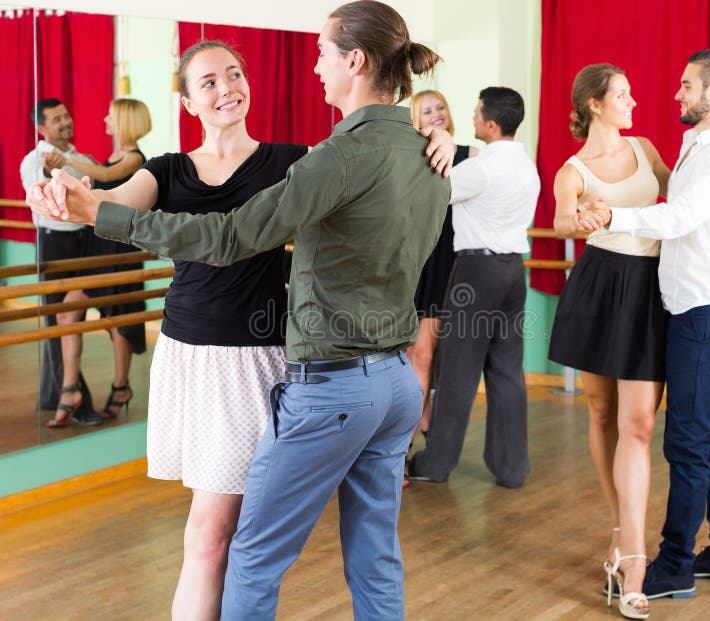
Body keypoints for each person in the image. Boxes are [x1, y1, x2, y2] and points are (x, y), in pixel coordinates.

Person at [28, 2, 455, 618]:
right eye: (208, 80)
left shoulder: (317, 159)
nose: (314, 68)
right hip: (382, 380)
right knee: (360, 552)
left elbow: (227, 238)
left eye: (322, 55)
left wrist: (95, 213)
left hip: (316, 382)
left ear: (354, 61)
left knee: (247, 552)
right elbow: (116, 194)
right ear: (187, 102)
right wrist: (76, 194)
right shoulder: (417, 153)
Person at [580, 48, 710, 602]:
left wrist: (612, 214)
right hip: (689, 310)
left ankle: (674, 563)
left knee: (685, 443)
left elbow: (678, 218)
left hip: (708, 313)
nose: (676, 94)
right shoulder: (693, 147)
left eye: (686, 86)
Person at [546, 63, 671, 620]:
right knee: (601, 414)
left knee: (638, 423)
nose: (633, 101)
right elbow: (560, 223)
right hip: (599, 287)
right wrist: (580, 217)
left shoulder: (646, 149)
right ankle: (622, 533)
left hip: (649, 289)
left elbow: (678, 204)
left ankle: (637, 558)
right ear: (594, 104)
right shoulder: (572, 169)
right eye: (622, 94)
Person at [407, 86, 540, 489]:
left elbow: (428, 194)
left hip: (476, 273)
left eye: (477, 112)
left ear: (492, 123)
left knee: (456, 374)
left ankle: (436, 462)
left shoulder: (480, 169)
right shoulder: (527, 165)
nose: (472, 119)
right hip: (515, 272)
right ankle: (511, 467)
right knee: (507, 372)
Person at [50, 98, 152, 425]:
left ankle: (120, 386)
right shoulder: (112, 156)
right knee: (69, 310)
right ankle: (69, 387)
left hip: (120, 246)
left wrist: (68, 159)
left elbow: (108, 175)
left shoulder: (134, 159)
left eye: (111, 115)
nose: (105, 119)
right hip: (99, 243)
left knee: (118, 316)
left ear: (124, 120)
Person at [19, 98, 99, 424]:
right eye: (56, 119)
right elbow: (43, 203)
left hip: (86, 243)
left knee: (72, 319)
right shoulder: (33, 160)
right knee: (59, 322)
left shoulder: (82, 158)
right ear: (41, 128)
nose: (65, 122)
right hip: (54, 246)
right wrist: (54, 172)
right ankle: (72, 396)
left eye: (66, 116)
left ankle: (64, 394)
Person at [407, 89, 476, 438]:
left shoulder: (469, 155)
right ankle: (416, 421)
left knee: (424, 354)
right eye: (427, 111)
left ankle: (406, 443)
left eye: (440, 108)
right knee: (407, 355)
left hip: (445, 260)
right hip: (409, 259)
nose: (435, 115)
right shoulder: (406, 155)